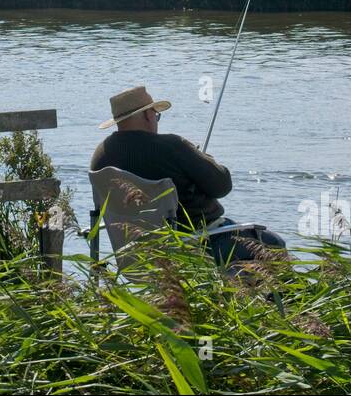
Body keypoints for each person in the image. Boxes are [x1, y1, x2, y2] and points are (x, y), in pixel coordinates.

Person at [90, 85, 286, 267]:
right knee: (273, 243)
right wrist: (204, 158)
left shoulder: (100, 157)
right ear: (148, 116)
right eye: (156, 115)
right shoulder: (172, 147)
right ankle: (280, 303)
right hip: (196, 246)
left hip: (136, 256)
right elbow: (222, 185)